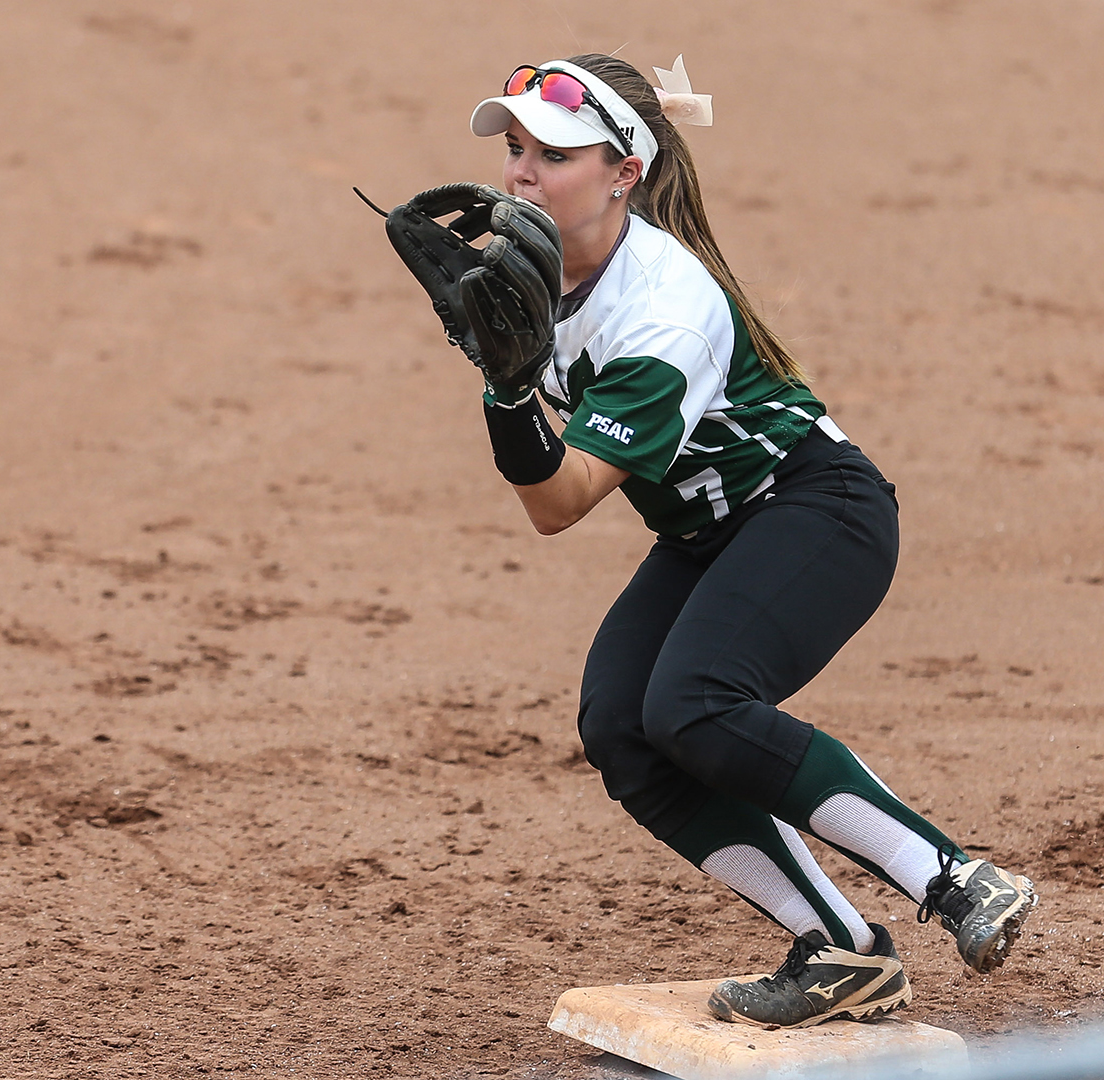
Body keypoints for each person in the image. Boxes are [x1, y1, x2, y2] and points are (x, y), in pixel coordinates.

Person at [437, 53, 1039, 1028]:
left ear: (622, 174)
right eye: (514, 150)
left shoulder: (666, 304)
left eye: (552, 152)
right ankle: (846, 952)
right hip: (706, 533)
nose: (520, 173)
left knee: (696, 704)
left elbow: (568, 498)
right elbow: (543, 500)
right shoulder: (535, 285)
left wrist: (512, 386)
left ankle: (955, 879)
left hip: (815, 510)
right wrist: (506, 388)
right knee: (623, 729)